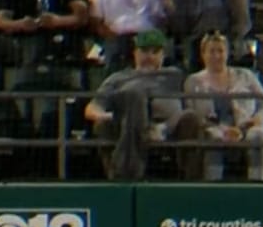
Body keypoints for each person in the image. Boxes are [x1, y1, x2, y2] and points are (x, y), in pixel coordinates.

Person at [83, 28, 203, 180]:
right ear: (135, 52)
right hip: (129, 126)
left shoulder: (175, 75)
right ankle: (127, 174)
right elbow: (92, 109)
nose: (149, 56)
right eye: (145, 51)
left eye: (155, 52)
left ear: (163, 54)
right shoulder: (118, 78)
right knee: (133, 95)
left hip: (168, 127)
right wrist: (111, 117)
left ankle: (189, 182)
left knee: (191, 117)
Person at [184, 30, 263, 181]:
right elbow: (193, 114)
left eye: (220, 51)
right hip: (213, 128)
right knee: (214, 140)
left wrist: (256, 120)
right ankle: (213, 185)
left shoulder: (246, 75)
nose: (216, 56)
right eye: (212, 51)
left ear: (227, 53)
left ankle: (257, 184)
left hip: (246, 127)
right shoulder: (193, 81)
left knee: (258, 137)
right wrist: (224, 131)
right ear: (203, 54)